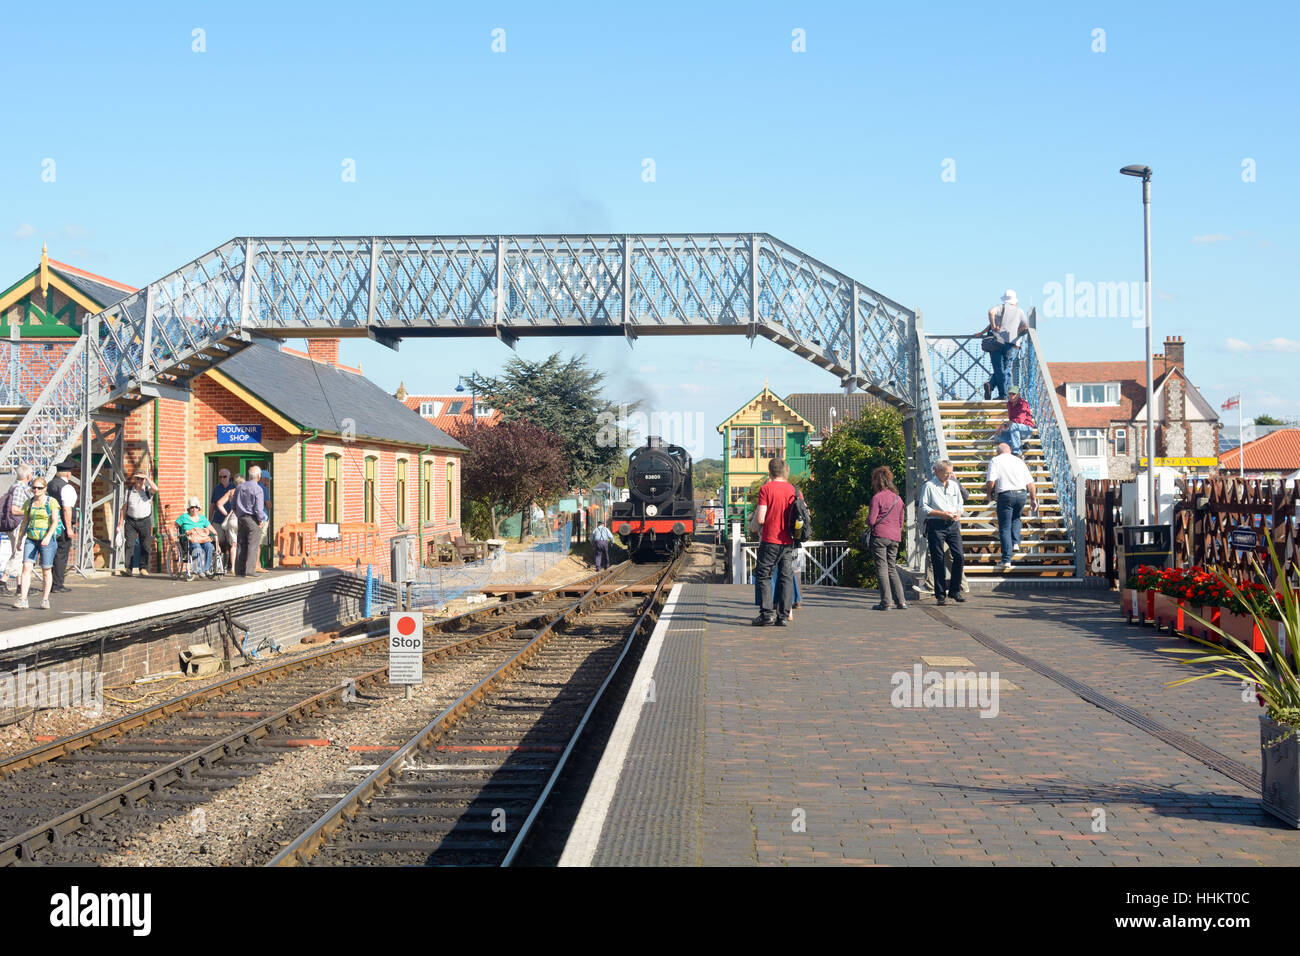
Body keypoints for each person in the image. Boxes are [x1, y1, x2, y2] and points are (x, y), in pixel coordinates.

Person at [750, 457, 798, 627]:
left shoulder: (766, 489)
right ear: (785, 470)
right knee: (786, 576)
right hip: (788, 540)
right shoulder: (794, 490)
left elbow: (761, 517)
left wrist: (754, 524)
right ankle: (783, 616)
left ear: (770, 471)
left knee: (763, 575)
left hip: (770, 539)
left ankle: (766, 614)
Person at [986, 442, 1037, 572]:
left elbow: (991, 480)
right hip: (1021, 494)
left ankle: (1006, 560)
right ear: (1009, 450)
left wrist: (989, 495)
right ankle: (1015, 543)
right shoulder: (1019, 461)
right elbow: (1031, 483)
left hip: (1005, 494)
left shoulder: (995, 460)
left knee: (1004, 526)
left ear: (998, 452)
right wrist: (1033, 499)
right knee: (1016, 519)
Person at [921, 460, 966, 606]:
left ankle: (954, 590)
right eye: (946, 473)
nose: (949, 476)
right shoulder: (929, 486)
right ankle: (940, 594)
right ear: (937, 471)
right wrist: (941, 514)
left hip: (952, 524)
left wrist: (958, 513)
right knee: (938, 559)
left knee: (959, 556)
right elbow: (924, 507)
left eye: (950, 473)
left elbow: (960, 503)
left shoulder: (953, 485)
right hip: (936, 523)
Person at [13, 477, 60, 610]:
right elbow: (25, 521)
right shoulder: (29, 503)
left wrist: (48, 536)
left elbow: (55, 521)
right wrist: (20, 539)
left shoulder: (52, 502)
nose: (36, 490)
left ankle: (45, 599)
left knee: (46, 570)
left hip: (47, 538)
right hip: (31, 538)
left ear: (45, 489)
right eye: (34, 487)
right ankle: (23, 598)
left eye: (39, 488)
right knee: (26, 567)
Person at [867, 465, 906, 611]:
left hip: (880, 536)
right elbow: (901, 521)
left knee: (882, 568)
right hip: (895, 536)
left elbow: (871, 521)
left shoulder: (877, 498)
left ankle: (886, 602)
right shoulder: (898, 499)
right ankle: (901, 601)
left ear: (877, 481)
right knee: (892, 568)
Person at [980, 290, 1030, 401]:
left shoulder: (1001, 308)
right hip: (1012, 343)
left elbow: (991, 312)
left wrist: (992, 327)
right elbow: (1026, 326)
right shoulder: (1019, 312)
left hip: (997, 342)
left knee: (999, 369)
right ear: (1015, 301)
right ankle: (1004, 395)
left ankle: (993, 386)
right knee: (1006, 369)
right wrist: (1017, 332)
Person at [45, 460, 79, 593]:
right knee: (61, 554)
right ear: (68, 474)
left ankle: (50, 582)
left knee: (51, 553)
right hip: (63, 526)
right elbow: (66, 509)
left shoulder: (49, 485)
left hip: (50, 524)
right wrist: (69, 528)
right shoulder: (67, 487)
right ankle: (57, 584)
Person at [116, 472, 159, 576]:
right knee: (130, 544)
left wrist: (147, 478)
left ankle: (143, 568)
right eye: (138, 479)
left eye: (142, 479)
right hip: (131, 521)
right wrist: (120, 524)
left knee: (145, 545)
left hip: (145, 521)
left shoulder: (147, 491)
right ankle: (128, 568)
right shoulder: (129, 491)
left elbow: (156, 489)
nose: (140, 481)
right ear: (135, 479)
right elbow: (124, 508)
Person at [0, 464, 34, 595]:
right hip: (18, 525)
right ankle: (3, 582)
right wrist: (29, 511)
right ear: (28, 476)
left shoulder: (15, 486)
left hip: (17, 525)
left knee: (20, 554)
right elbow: (14, 509)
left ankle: (21, 586)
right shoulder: (20, 489)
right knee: (18, 553)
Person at [229, 466, 267, 576]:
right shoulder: (258, 489)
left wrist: (239, 515)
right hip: (252, 519)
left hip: (241, 519)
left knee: (241, 544)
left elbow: (233, 505)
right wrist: (260, 520)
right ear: (259, 476)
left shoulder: (240, 487)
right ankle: (250, 570)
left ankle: (239, 570)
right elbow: (259, 509)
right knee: (253, 545)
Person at [176, 497, 217, 579]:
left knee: (209, 545)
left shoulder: (203, 518)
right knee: (197, 546)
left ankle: (206, 569)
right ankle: (198, 570)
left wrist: (217, 544)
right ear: (188, 508)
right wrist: (173, 538)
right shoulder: (184, 517)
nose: (194, 509)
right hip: (190, 542)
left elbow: (214, 531)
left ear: (198, 508)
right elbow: (172, 527)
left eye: (196, 507)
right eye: (192, 507)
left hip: (202, 540)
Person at [992, 386, 1036, 457]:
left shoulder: (1023, 403)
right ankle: (1020, 445)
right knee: (997, 436)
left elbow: (1020, 420)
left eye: (1013, 394)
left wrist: (1005, 425)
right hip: (1015, 430)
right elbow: (1012, 420)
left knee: (1013, 426)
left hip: (1026, 429)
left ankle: (1016, 453)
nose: (1011, 396)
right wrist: (1004, 426)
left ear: (1018, 395)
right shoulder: (1009, 404)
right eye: (1010, 394)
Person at [210, 467, 234, 569]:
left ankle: (229, 564)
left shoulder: (234, 488)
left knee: (230, 542)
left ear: (229, 477)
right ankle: (218, 563)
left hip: (230, 519)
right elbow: (212, 505)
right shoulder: (216, 489)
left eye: (225, 476)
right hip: (218, 520)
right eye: (220, 477)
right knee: (218, 540)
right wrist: (209, 520)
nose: (222, 479)